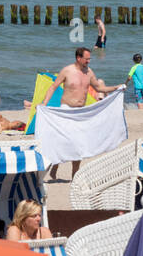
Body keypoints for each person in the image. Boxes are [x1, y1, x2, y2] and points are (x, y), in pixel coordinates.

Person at [48, 48, 124, 180]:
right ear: (78, 58)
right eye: (86, 59)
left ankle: (75, 174)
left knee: (78, 143)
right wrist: (44, 104)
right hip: (66, 110)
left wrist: (116, 87)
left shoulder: (89, 72)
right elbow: (53, 86)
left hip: (80, 111)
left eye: (89, 59)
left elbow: (99, 88)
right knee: (62, 141)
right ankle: (55, 166)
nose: (89, 61)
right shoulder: (67, 70)